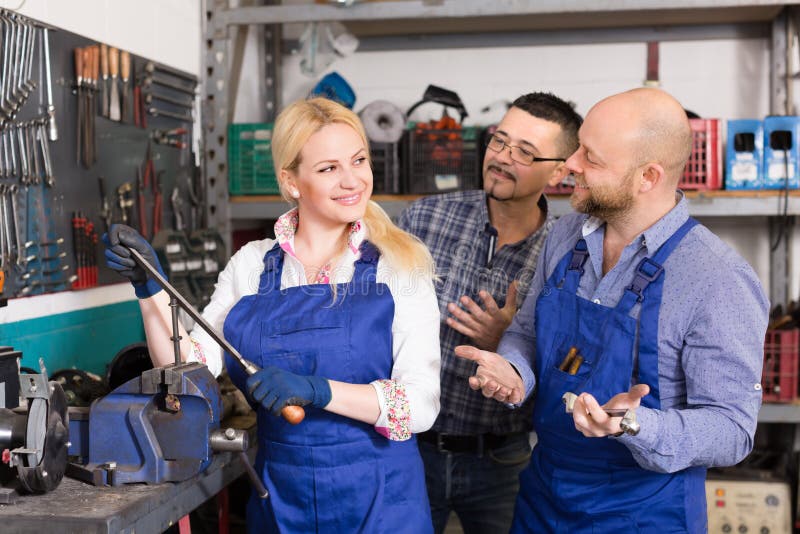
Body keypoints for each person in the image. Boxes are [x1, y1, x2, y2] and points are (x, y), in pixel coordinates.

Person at [103, 97, 442, 533]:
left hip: (380, 498)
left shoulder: (400, 264)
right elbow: (185, 372)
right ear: (291, 181)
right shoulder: (251, 265)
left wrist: (318, 391)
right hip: (282, 499)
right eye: (328, 168)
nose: (352, 180)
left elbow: (420, 404)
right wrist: (150, 289)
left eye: (359, 161)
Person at [456, 87, 769, 532]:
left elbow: (732, 430)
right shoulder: (565, 236)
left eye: (592, 158)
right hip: (543, 501)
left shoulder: (717, 278)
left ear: (647, 177)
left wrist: (637, 424)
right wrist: (514, 372)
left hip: (642, 515)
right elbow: (527, 332)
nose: (570, 165)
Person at [397, 92, 582, 533]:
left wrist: (508, 344)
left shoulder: (568, 255)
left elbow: (574, 366)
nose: (502, 158)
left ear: (559, 170)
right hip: (409, 450)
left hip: (503, 461)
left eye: (525, 152)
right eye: (500, 141)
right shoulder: (424, 219)